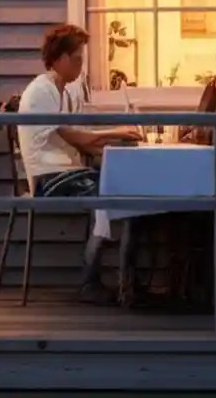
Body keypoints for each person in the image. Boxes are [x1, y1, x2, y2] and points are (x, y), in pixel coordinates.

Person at [16, 24, 141, 304]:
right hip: (47, 177)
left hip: (67, 171)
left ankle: (126, 281)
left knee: (125, 188)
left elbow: (82, 143)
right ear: (59, 59)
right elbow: (72, 135)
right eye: (77, 59)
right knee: (108, 193)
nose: (80, 65)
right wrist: (116, 133)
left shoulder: (65, 92)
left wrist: (120, 144)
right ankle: (91, 281)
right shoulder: (42, 91)